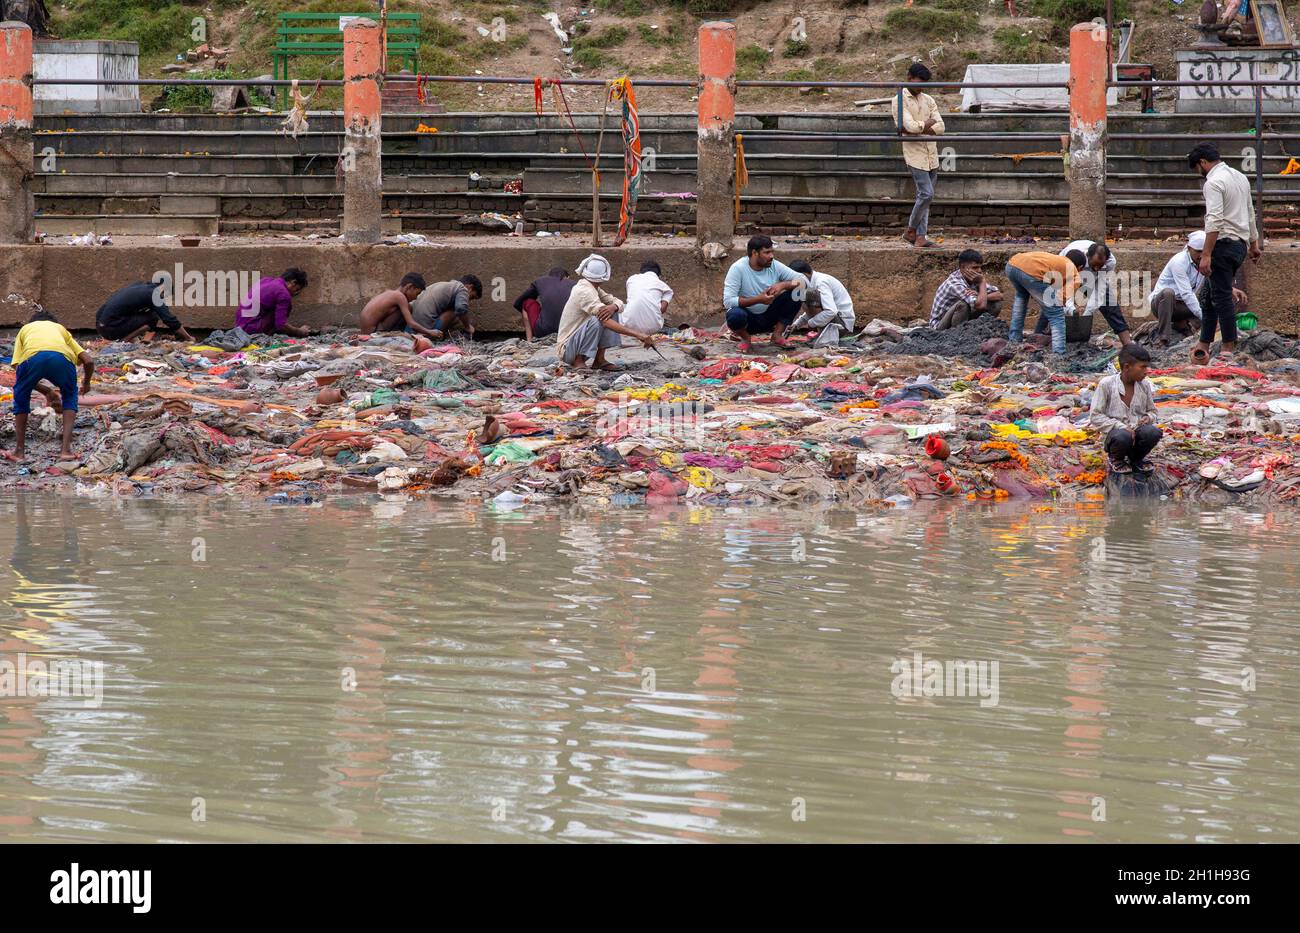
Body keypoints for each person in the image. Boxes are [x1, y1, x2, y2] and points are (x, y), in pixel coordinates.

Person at [1188, 142, 1261, 363]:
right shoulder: (1239, 177)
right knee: (1207, 297)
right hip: (1239, 246)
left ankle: (1228, 347)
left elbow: (1214, 220)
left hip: (1223, 245)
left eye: (1198, 168)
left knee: (1220, 297)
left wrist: (1207, 253)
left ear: (1203, 162)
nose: (1199, 174)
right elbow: (1250, 212)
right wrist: (1254, 244)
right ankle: (1204, 344)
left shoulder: (1213, 182)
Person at [7, 310, 95, 461]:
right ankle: (66, 451)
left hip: (32, 358)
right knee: (70, 396)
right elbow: (88, 361)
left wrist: (44, 390)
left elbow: (18, 367)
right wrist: (86, 383)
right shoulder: (61, 329)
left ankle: (19, 452)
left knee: (21, 394)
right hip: (62, 360)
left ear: (32, 322)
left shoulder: (25, 329)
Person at [555, 254, 657, 371]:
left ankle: (599, 359)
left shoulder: (593, 288)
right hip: (567, 349)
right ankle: (578, 361)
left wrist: (614, 306)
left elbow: (617, 302)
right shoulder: (584, 290)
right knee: (600, 317)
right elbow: (604, 321)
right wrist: (639, 335)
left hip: (575, 345)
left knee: (609, 310)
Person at [722, 235, 808, 353]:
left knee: (799, 290)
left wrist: (782, 285)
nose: (771, 256)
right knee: (734, 314)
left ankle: (777, 335)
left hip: (770, 316)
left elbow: (803, 280)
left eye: (772, 252)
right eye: (766, 253)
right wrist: (759, 299)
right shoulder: (738, 268)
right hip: (748, 320)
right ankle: (746, 339)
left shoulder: (774, 265)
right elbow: (727, 301)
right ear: (754, 253)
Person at [891, 62, 945, 249]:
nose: (921, 85)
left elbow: (941, 127)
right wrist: (926, 125)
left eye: (924, 82)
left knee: (926, 198)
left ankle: (920, 237)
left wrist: (921, 127)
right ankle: (911, 230)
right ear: (909, 78)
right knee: (926, 194)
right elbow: (909, 127)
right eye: (918, 81)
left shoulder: (928, 99)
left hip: (931, 153)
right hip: (915, 155)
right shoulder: (900, 99)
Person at [1039, 240, 1132, 346]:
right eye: (1095, 265)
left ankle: (1127, 343)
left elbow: (1100, 289)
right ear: (1087, 256)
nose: (1097, 268)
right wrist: (1071, 308)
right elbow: (1065, 287)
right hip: (1067, 274)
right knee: (1053, 300)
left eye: (1100, 266)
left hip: (1094, 279)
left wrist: (1088, 313)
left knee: (1109, 303)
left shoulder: (1110, 262)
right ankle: (1039, 335)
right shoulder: (1073, 256)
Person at [1089, 343, 1162, 475]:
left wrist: (1148, 417)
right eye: (1143, 367)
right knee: (1123, 435)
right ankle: (1116, 459)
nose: (1147, 371)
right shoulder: (1107, 384)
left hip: (1137, 435)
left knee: (1153, 432)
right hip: (1116, 438)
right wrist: (1121, 426)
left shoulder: (1144, 385)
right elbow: (1095, 416)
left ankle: (1137, 458)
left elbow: (1153, 411)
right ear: (1127, 367)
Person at [1004, 248, 1085, 354]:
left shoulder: (1057, 261)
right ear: (1080, 267)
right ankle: (1059, 353)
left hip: (1012, 265)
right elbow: (1060, 302)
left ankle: (1014, 341)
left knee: (1021, 299)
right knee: (1056, 315)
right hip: (1031, 272)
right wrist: (1071, 309)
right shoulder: (1074, 272)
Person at [1147, 230, 1214, 344]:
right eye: (1198, 251)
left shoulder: (1207, 260)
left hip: (1182, 305)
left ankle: (1185, 326)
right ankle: (1163, 339)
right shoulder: (1179, 261)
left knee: (1214, 303)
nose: (1201, 255)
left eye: (1204, 252)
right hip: (1162, 304)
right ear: (1189, 248)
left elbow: (1216, 281)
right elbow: (1187, 294)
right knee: (1168, 293)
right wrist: (1204, 316)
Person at [95, 281, 194, 343]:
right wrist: (188, 338)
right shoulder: (154, 294)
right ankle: (124, 340)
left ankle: (134, 339)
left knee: (148, 313)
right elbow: (169, 319)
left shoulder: (140, 286)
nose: (164, 298)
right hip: (110, 330)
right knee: (154, 317)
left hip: (101, 326)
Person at [929, 249, 1002, 330]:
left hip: (960, 318)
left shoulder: (973, 279)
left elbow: (999, 295)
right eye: (975, 267)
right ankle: (958, 335)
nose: (979, 271)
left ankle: (976, 330)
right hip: (939, 327)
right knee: (962, 305)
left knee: (996, 303)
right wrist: (982, 282)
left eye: (980, 267)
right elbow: (981, 306)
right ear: (963, 267)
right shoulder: (954, 283)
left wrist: (980, 295)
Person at [788, 260, 854, 344]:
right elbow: (813, 310)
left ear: (803, 275)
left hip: (841, 325)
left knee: (809, 294)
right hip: (837, 321)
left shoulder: (821, 282)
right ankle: (821, 334)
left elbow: (831, 311)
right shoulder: (813, 282)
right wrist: (797, 324)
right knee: (803, 294)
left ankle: (824, 335)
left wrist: (811, 323)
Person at [236, 267, 311, 338]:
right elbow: (281, 325)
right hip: (250, 330)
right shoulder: (283, 293)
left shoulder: (265, 280)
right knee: (286, 308)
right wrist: (299, 331)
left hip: (240, 327)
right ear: (293, 282)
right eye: (297, 289)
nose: (295, 293)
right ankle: (264, 335)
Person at [357, 273, 431, 336]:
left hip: (367, 331)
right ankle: (396, 335)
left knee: (407, 307)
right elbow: (411, 323)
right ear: (409, 287)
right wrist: (430, 332)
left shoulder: (391, 293)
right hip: (373, 334)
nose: (416, 298)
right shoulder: (400, 297)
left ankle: (398, 334)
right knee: (408, 308)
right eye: (417, 294)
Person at [620, 261, 675, 345]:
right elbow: (662, 310)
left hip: (628, 326)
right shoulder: (664, 287)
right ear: (658, 275)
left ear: (641, 272)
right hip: (653, 328)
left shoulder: (631, 279)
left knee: (622, 307)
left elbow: (634, 299)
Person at [411, 275, 482, 340]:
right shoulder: (462, 289)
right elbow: (461, 309)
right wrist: (468, 327)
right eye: (472, 297)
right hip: (428, 331)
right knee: (456, 311)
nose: (469, 300)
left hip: (413, 327)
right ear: (470, 287)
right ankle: (435, 337)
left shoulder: (444, 285)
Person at [512, 267, 574, 341]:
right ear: (567, 277)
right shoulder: (574, 284)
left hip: (543, 331)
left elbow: (520, 301)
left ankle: (529, 341)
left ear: (549, 276)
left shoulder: (541, 281)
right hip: (569, 330)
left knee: (526, 302)